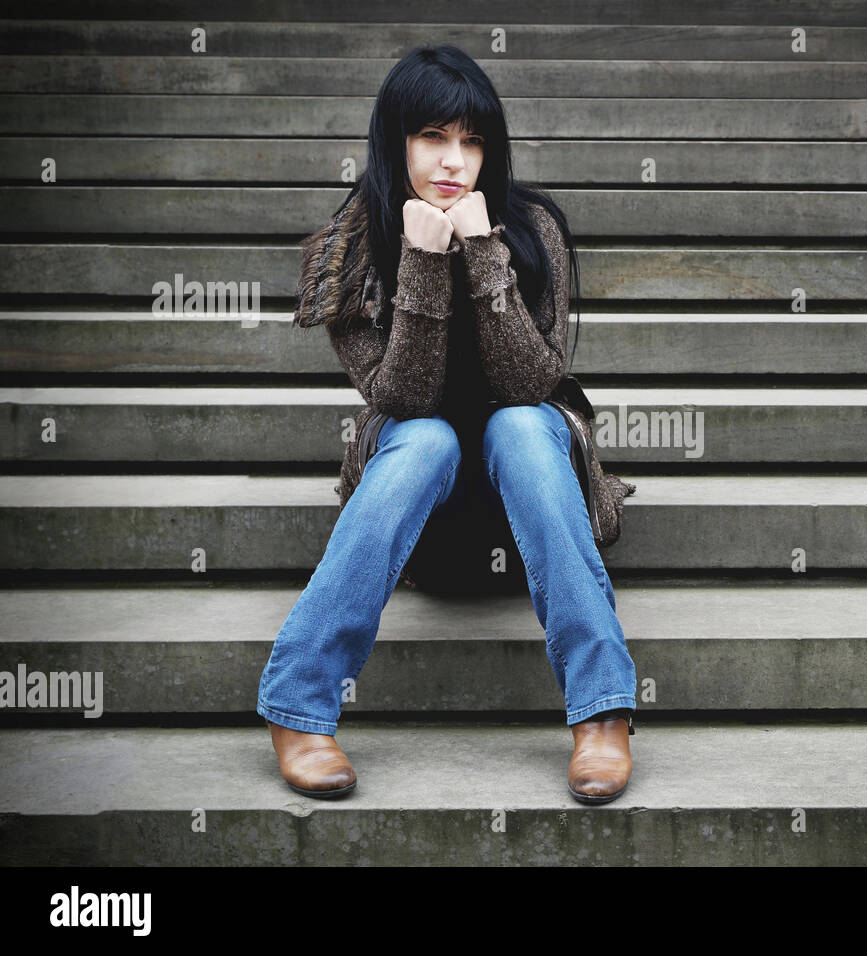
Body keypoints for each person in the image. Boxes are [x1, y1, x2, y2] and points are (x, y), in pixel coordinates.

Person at [256, 45, 638, 804]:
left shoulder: (530, 230)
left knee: (520, 425)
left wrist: (483, 253)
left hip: (533, 497)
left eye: (472, 141)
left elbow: (532, 383)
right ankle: (297, 708)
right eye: (433, 137)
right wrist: (424, 263)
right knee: (427, 437)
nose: (455, 162)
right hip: (418, 508)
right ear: (395, 140)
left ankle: (602, 712)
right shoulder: (348, 254)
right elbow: (403, 398)